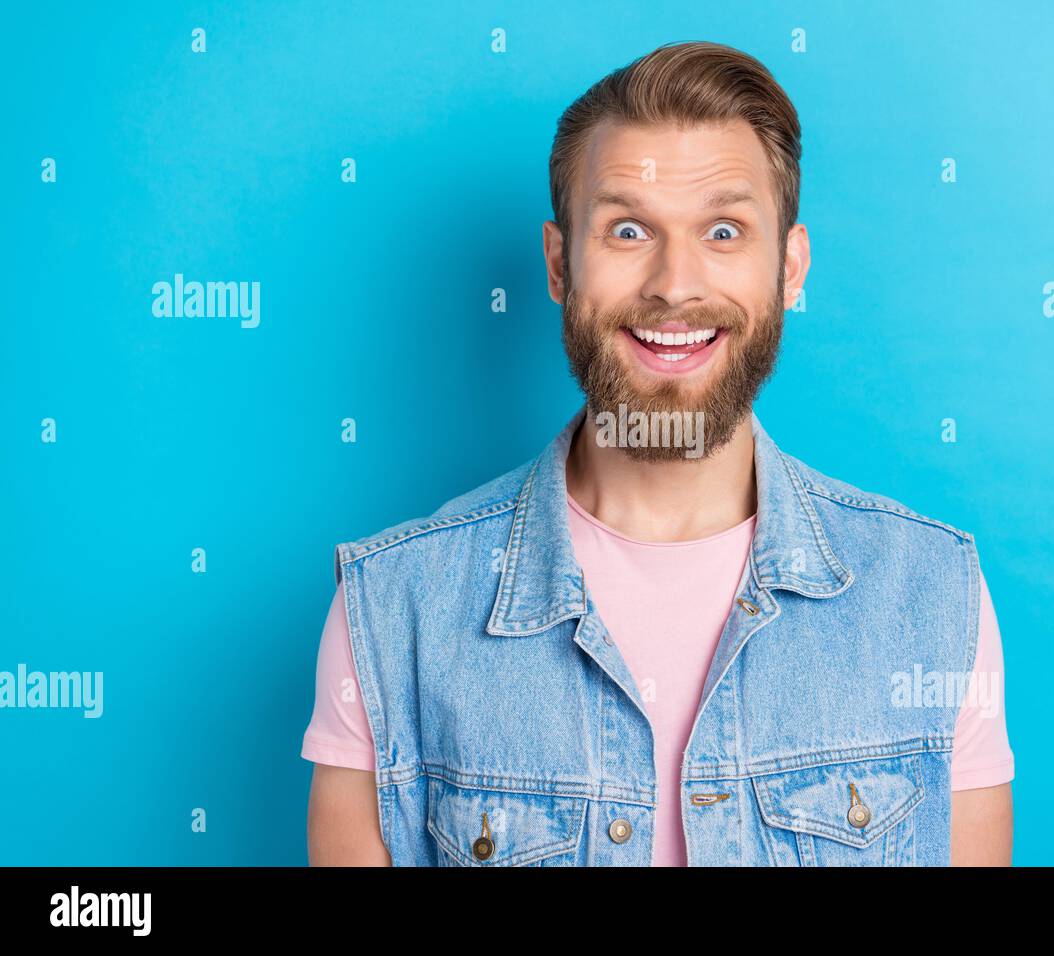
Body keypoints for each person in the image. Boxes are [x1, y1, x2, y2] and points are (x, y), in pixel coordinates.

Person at [303, 40, 1013, 867]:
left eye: (722, 229)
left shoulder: (930, 596)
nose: (675, 285)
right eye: (629, 229)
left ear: (789, 267)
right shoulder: (392, 614)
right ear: (560, 265)